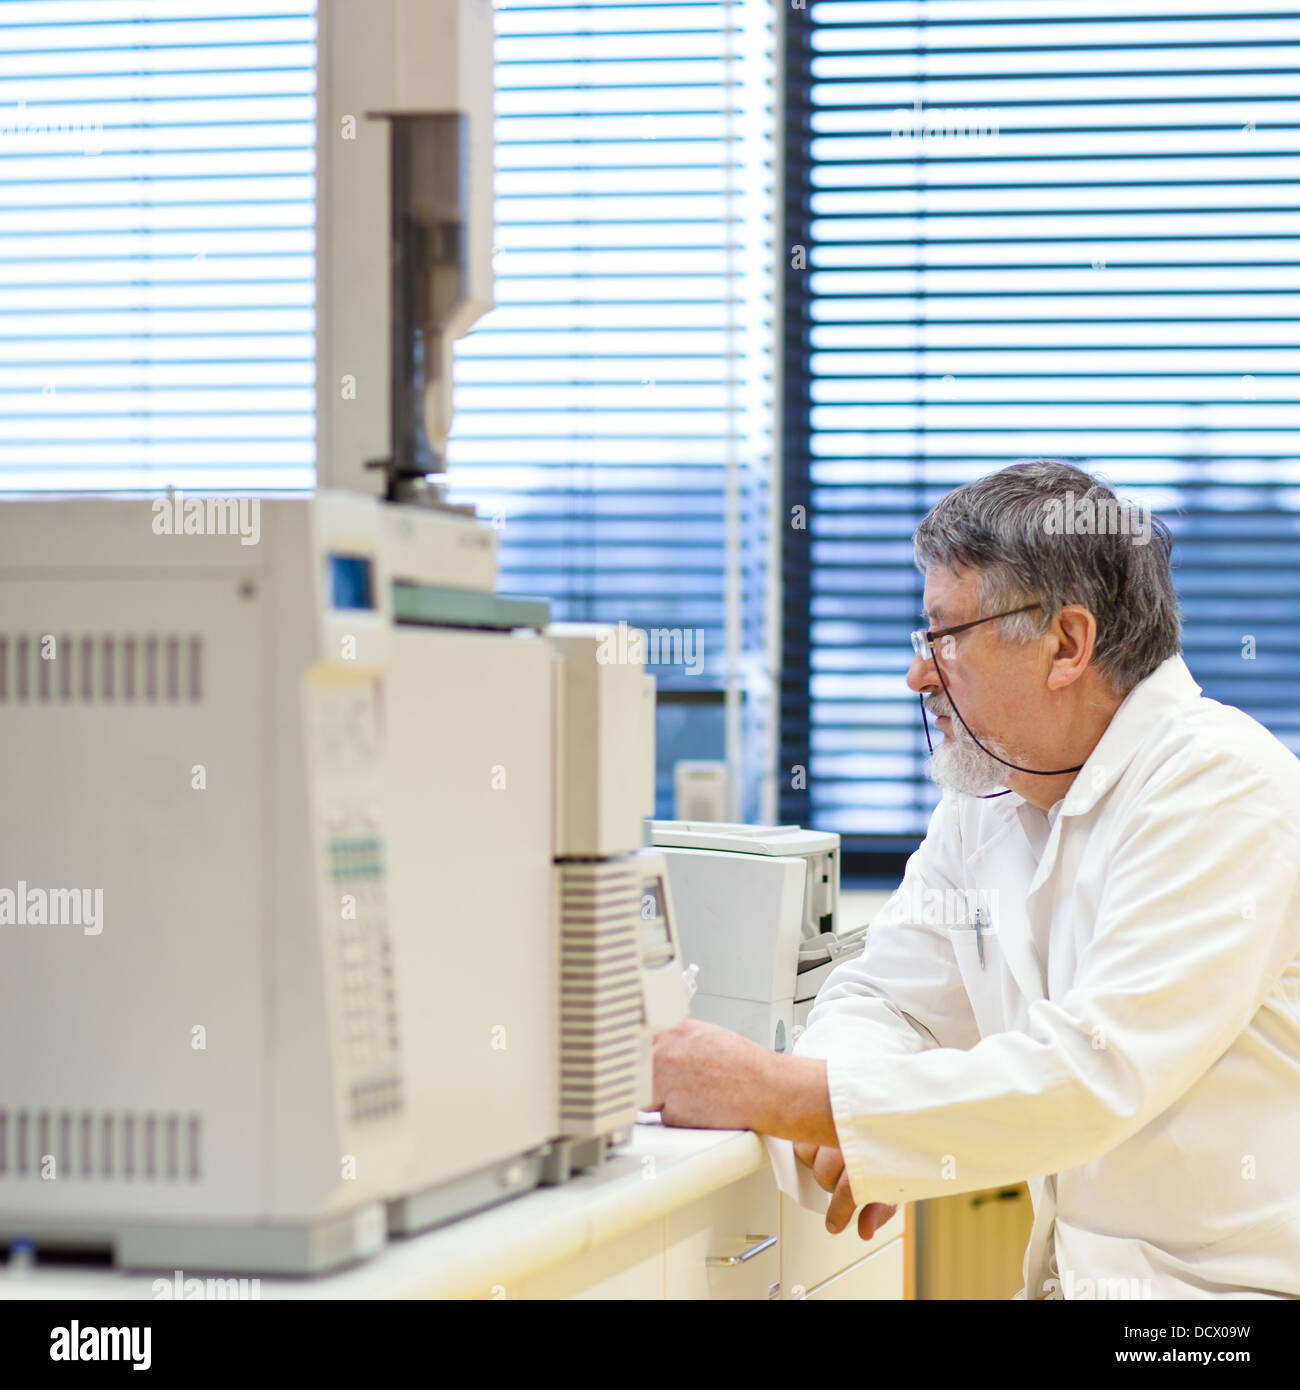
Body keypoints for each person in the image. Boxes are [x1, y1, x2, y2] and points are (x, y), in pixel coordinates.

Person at [648, 458, 1300, 1299]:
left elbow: (1091, 1074)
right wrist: (836, 1120)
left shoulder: (1223, 786)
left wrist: (782, 1092)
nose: (919, 674)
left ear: (1067, 644)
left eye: (946, 636)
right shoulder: (993, 791)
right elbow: (889, 999)